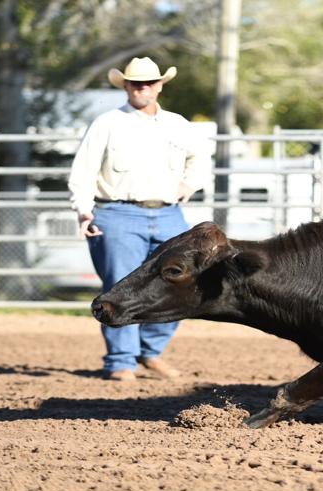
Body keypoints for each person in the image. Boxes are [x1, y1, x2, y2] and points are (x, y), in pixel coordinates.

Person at [68, 56, 214, 381]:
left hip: (168, 213)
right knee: (120, 286)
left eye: (148, 82)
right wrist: (83, 209)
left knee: (185, 281)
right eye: (135, 83)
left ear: (160, 86)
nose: (142, 88)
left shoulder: (177, 124)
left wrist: (189, 183)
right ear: (126, 86)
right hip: (116, 212)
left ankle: (151, 351)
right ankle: (121, 360)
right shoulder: (107, 123)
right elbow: (83, 170)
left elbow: (201, 157)